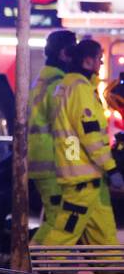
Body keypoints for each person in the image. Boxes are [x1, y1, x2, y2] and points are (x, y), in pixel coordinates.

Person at [45, 38, 122, 245]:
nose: (102, 64)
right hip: (83, 179)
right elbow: (91, 135)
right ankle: (39, 272)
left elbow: (72, 139)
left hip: (86, 177)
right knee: (63, 234)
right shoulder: (80, 89)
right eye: (99, 58)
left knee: (104, 236)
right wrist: (111, 168)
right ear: (87, 61)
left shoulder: (67, 86)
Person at [29, 30, 79, 243]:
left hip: (40, 161)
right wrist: (74, 161)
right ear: (64, 54)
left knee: (54, 216)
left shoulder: (43, 79)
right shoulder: (57, 85)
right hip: (51, 163)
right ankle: (32, 266)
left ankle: (38, 266)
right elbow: (65, 128)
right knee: (58, 218)